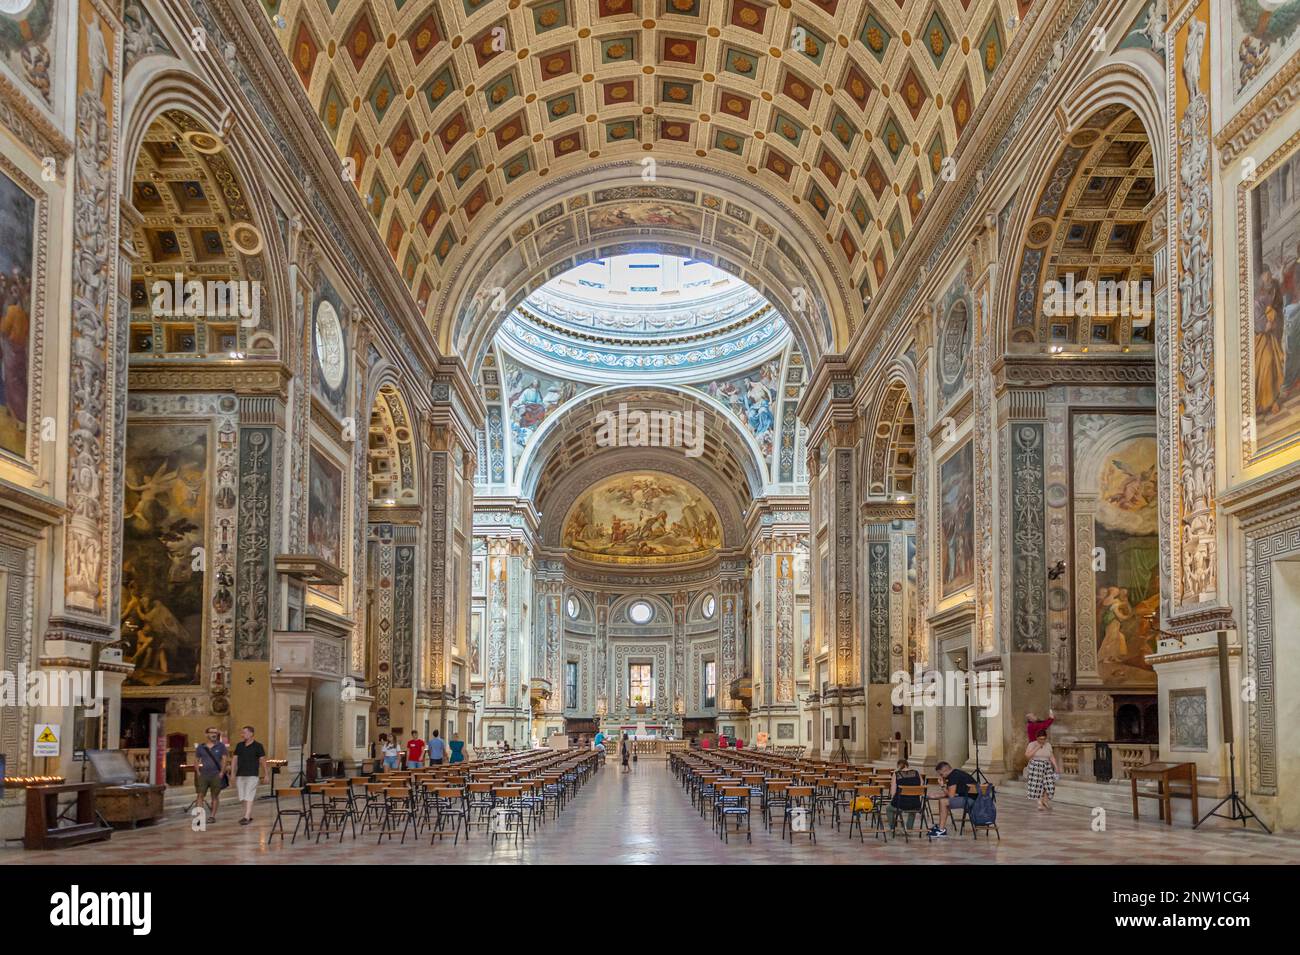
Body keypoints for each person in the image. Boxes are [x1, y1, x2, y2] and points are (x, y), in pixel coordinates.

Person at [929, 760, 977, 837]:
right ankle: (940, 827)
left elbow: (951, 796)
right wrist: (938, 795)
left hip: (971, 800)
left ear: (944, 770)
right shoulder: (956, 773)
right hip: (969, 797)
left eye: (941, 774)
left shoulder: (953, 776)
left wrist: (942, 786)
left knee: (943, 802)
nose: (941, 776)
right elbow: (952, 793)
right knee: (942, 800)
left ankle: (941, 830)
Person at [231, 725, 266, 827]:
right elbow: (234, 759)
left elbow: (262, 760)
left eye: (245, 733)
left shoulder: (258, 746)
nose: (243, 735)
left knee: (249, 795)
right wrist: (233, 774)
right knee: (242, 796)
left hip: (252, 774)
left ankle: (246, 816)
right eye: (242, 733)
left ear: (251, 734)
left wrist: (266, 774)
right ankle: (247, 815)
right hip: (240, 774)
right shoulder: (239, 745)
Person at [194, 726, 228, 823]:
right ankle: (199, 816)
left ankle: (212, 816)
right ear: (206, 734)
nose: (214, 734)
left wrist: (222, 772)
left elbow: (224, 760)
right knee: (200, 795)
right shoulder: (201, 747)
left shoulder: (221, 746)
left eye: (215, 733)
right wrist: (198, 772)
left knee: (214, 796)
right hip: (203, 774)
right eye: (212, 732)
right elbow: (196, 760)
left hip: (216, 774)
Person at [1025, 730, 1060, 811]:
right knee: (1038, 785)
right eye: (1040, 739)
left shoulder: (1048, 745)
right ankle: (1040, 803)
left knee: (1050, 785)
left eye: (1044, 739)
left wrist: (1056, 767)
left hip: (1047, 765)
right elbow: (1027, 756)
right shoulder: (1032, 744)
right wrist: (1037, 747)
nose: (1042, 741)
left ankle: (1045, 800)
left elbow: (1051, 756)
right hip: (1035, 765)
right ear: (1037, 738)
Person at [888, 758, 923, 831]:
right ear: (907, 765)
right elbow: (921, 786)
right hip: (915, 803)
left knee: (889, 808)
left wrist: (892, 800)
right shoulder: (916, 772)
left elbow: (893, 791)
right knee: (913, 806)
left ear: (898, 766)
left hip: (900, 804)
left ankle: (892, 827)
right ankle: (909, 828)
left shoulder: (896, 774)